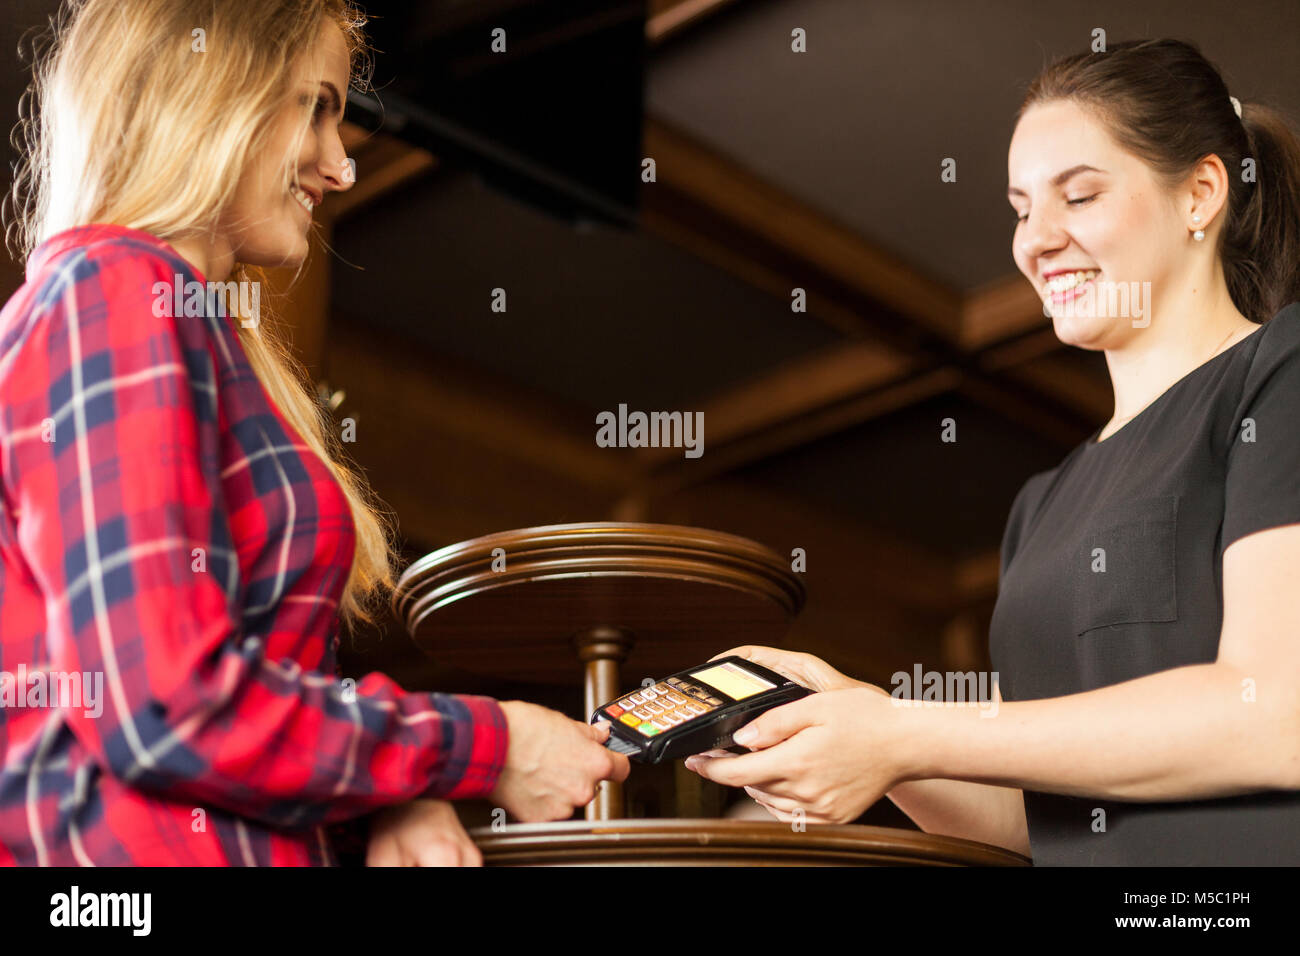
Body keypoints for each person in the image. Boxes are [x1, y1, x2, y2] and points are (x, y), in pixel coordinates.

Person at [0, 0, 627, 867]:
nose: (340, 168)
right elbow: (162, 706)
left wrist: (383, 797)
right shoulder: (114, 292)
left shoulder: (174, 321)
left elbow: (229, 692)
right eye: (320, 106)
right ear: (214, 86)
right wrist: (491, 743)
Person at [685, 39, 1300, 865]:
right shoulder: (1042, 501)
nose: (1036, 241)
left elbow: (1276, 716)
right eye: (1019, 209)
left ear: (1200, 193)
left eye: (1078, 196)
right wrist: (857, 725)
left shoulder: (1281, 371)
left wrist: (904, 728)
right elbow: (1023, 815)